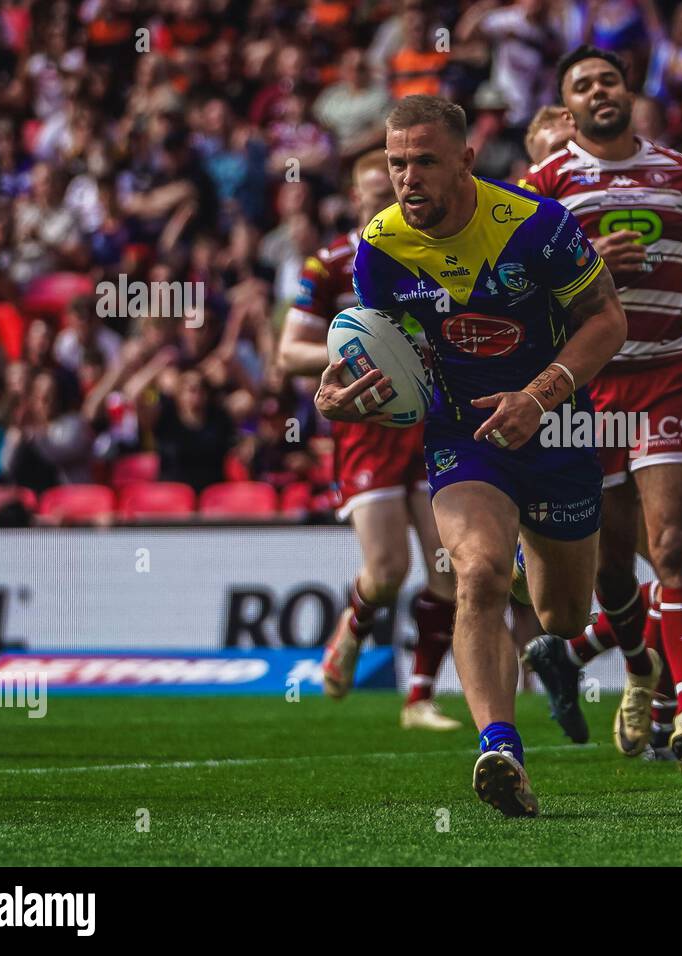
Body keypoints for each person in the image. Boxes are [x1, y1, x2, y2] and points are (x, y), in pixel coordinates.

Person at [314, 95, 626, 817]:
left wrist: (540, 396)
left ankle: (530, 571)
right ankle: (500, 749)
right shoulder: (381, 247)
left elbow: (607, 319)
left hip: (558, 431)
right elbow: (382, 354)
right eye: (396, 164)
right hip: (463, 437)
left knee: (564, 616)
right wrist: (341, 395)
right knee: (474, 573)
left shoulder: (538, 229)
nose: (407, 178)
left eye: (425, 161)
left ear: (464, 158)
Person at [515, 47, 682, 768]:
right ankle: (636, 670)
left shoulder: (679, 171)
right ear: (565, 106)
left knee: (678, 551)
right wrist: (587, 270)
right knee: (611, 571)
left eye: (608, 78)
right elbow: (516, 291)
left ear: (628, 89)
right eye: (581, 83)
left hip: (668, 374)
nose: (598, 90)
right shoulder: (543, 184)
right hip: (588, 387)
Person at [277, 149, 460, 733]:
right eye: (375, 189)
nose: (389, 195)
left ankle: (419, 699)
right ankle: (350, 634)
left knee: (447, 569)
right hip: (366, 431)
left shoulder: (433, 254)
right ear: (356, 197)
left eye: (396, 186)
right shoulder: (328, 264)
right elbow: (288, 354)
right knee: (386, 571)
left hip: (433, 425)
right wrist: (354, 358)